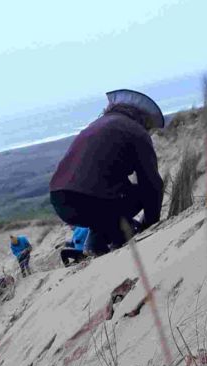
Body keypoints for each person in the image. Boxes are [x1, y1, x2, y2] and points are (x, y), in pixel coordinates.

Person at [49, 89, 165, 256]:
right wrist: (151, 225)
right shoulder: (136, 131)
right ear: (143, 119)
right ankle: (112, 241)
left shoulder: (98, 124)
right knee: (139, 194)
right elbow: (152, 184)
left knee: (111, 202)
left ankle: (94, 247)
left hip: (58, 199)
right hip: (92, 199)